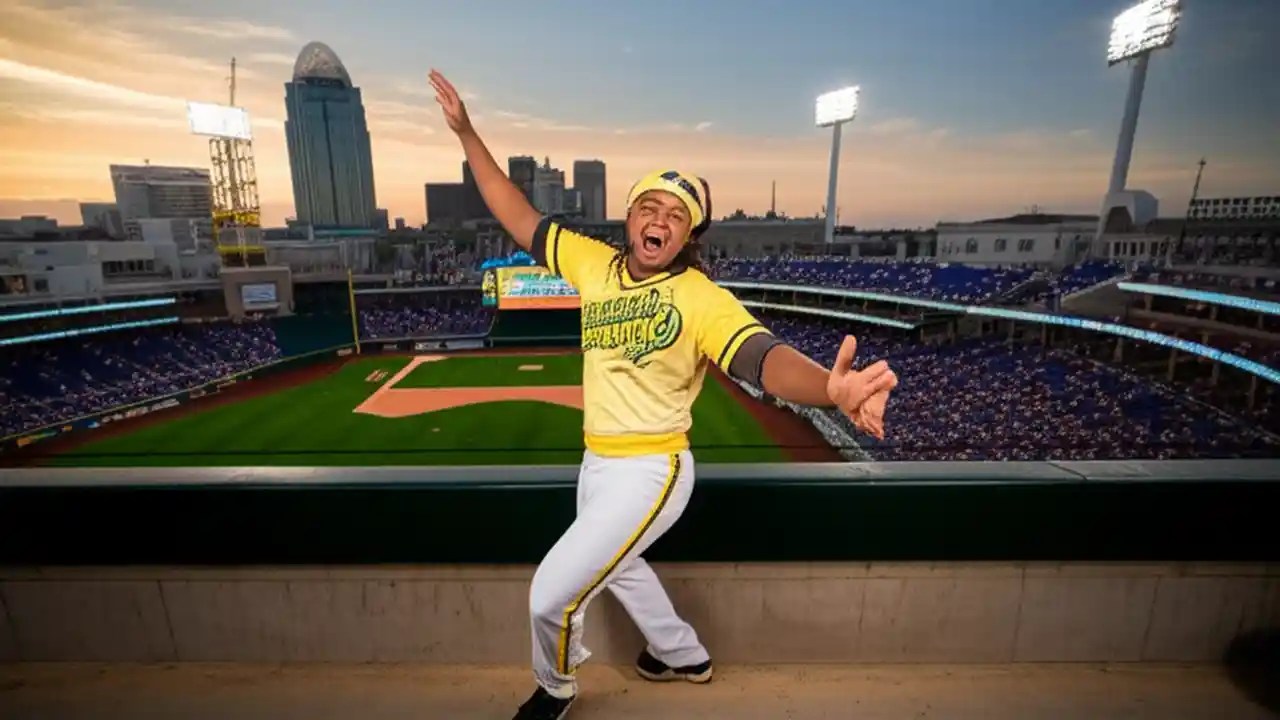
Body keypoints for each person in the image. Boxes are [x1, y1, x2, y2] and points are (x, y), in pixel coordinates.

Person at [429, 69, 897, 720]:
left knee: (550, 597)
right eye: (651, 206)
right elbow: (518, 214)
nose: (662, 219)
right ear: (631, 216)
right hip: (596, 462)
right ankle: (683, 656)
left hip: (652, 468)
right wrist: (467, 133)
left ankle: (556, 688)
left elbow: (761, 358)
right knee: (617, 566)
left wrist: (827, 386)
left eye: (678, 216)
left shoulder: (699, 298)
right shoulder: (593, 263)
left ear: (687, 238)